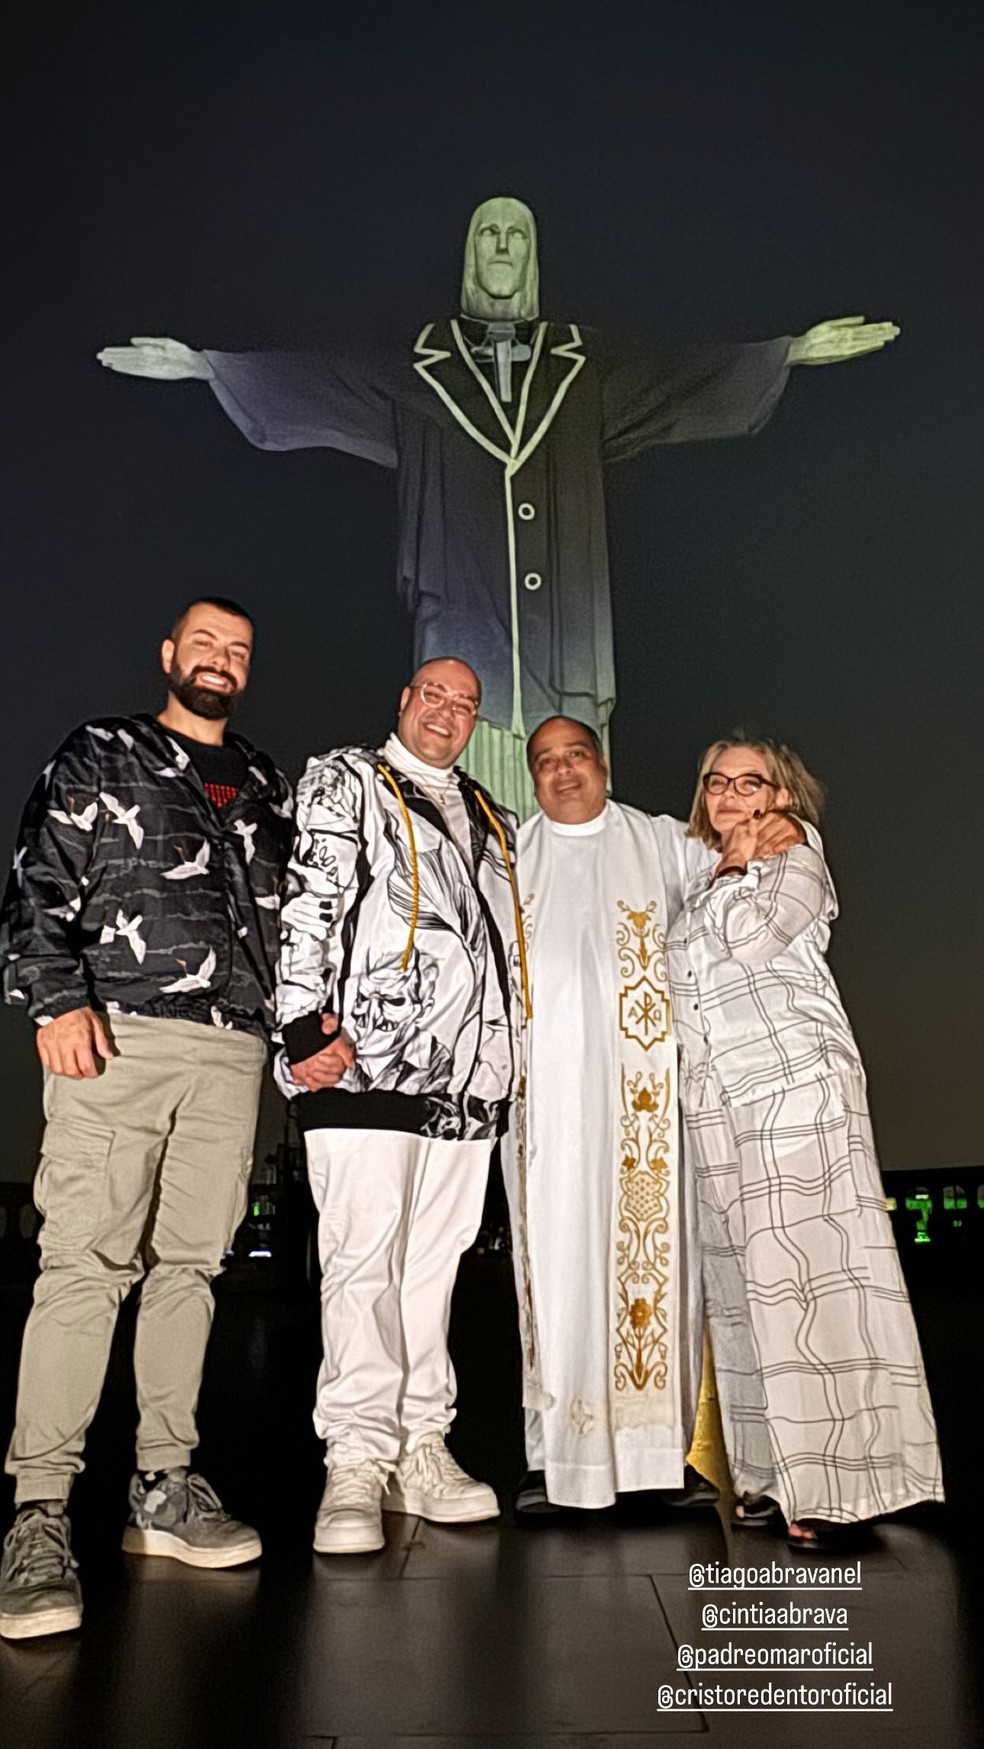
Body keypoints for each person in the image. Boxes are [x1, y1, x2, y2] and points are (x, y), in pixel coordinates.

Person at [97, 195, 899, 816]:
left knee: (570, 818)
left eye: (517, 234)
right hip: (465, 634)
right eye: (490, 234)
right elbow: (322, 382)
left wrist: (786, 355)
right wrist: (209, 367)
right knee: (465, 816)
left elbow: (678, 382)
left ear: (534, 255)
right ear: (470, 255)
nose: (504, 247)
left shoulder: (582, 369)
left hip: (570, 648)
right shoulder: (423, 370)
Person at [0, 599, 293, 1640]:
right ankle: (39, 1511)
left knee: (192, 1269)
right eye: (204, 642)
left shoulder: (264, 782)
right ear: (170, 655)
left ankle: (162, 1486)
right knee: (86, 1263)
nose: (220, 659)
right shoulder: (104, 752)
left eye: (238, 650)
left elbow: (292, 917)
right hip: (118, 1031)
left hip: (232, 1047)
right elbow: (38, 876)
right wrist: (54, 998)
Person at [503, 717, 802, 1513]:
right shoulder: (507, 857)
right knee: (556, 1268)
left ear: (602, 762)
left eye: (575, 755)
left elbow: (748, 855)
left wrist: (783, 826)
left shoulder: (664, 842)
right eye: (545, 761)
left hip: (646, 1106)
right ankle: (557, 1462)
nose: (563, 771)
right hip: (547, 1106)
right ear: (533, 775)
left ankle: (657, 1460)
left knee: (656, 1264)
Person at [666, 735, 943, 1547]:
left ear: (779, 795)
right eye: (715, 781)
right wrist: (724, 868)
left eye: (748, 781)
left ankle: (842, 1486)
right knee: (742, 1293)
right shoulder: (708, 871)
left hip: (795, 1085)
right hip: (718, 1102)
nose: (728, 794)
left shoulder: (794, 853)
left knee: (815, 1285)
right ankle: (766, 1476)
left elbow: (754, 939)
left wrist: (736, 866)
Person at [278, 657, 527, 1555]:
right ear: (404, 701)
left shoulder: (492, 815)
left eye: (466, 704)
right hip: (366, 1064)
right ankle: (355, 1457)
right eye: (434, 695)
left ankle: (422, 1442)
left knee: (433, 1267)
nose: (448, 713)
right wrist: (299, 1027)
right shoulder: (348, 779)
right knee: (362, 1261)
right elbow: (309, 901)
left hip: (469, 1078)